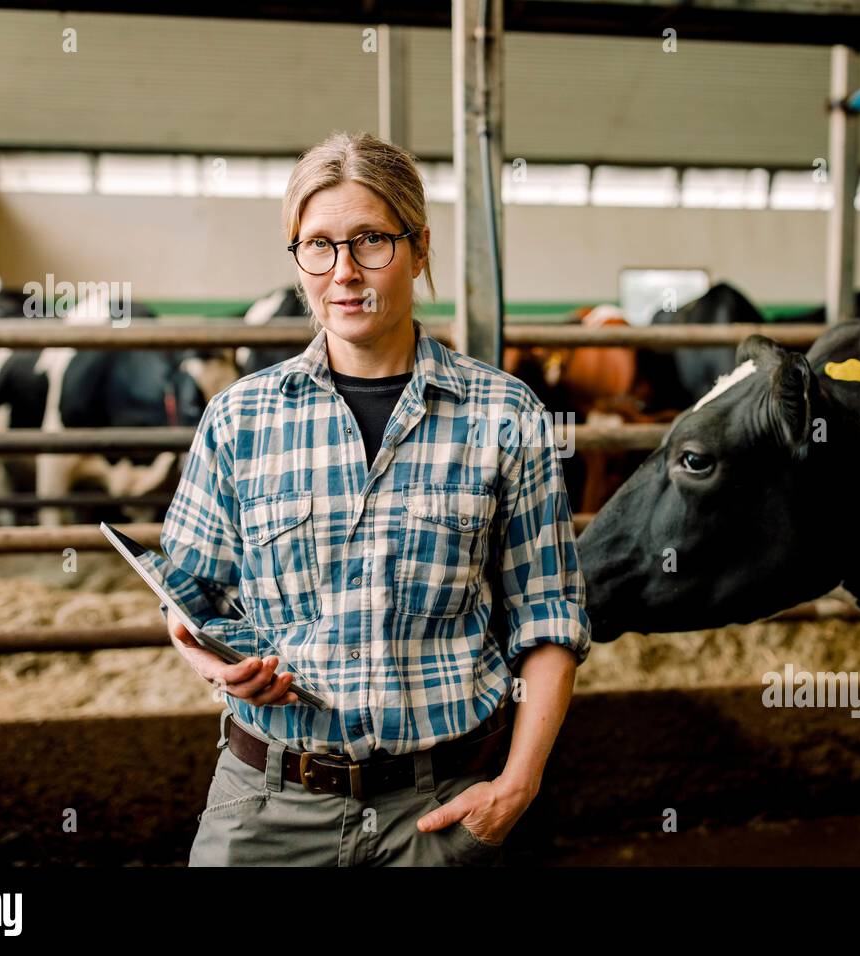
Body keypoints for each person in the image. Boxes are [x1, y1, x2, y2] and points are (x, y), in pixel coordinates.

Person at [160, 130, 591, 866]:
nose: (344, 272)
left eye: (371, 241)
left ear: (419, 249)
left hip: (442, 806)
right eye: (318, 245)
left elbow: (548, 615)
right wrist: (214, 663)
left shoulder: (504, 414)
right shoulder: (240, 418)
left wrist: (517, 787)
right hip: (267, 803)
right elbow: (185, 596)